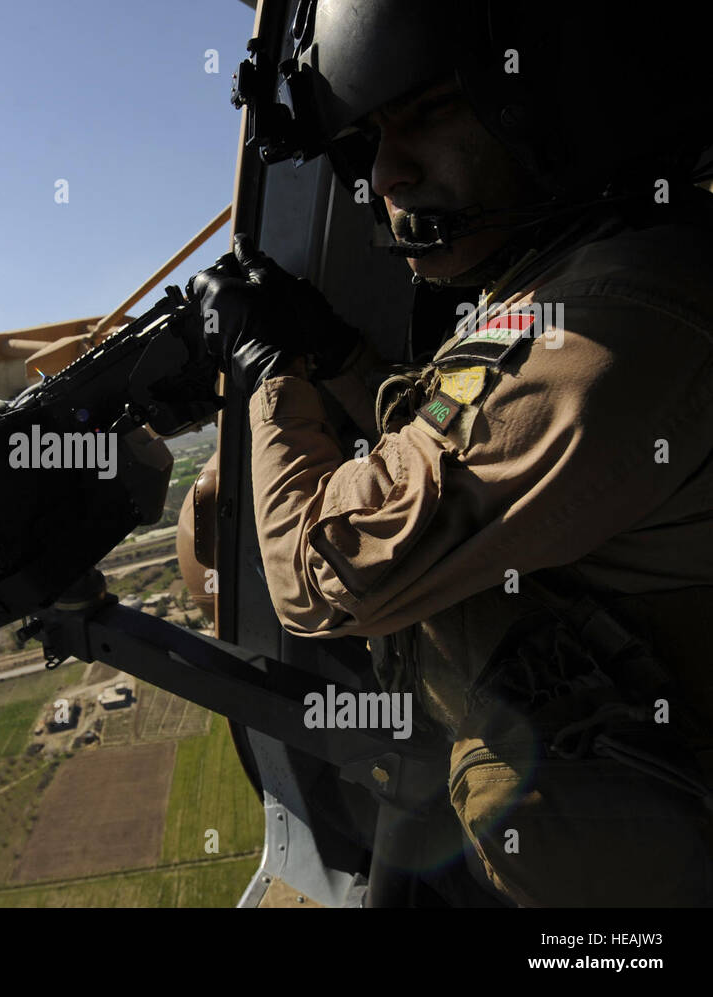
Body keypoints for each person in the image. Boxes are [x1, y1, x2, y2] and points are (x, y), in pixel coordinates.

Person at [187, 0, 713, 906]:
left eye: (427, 112)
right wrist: (340, 358)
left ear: (551, 98)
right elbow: (453, 429)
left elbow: (323, 574)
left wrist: (270, 368)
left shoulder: (610, 321)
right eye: (373, 136)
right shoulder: (594, 273)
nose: (388, 171)